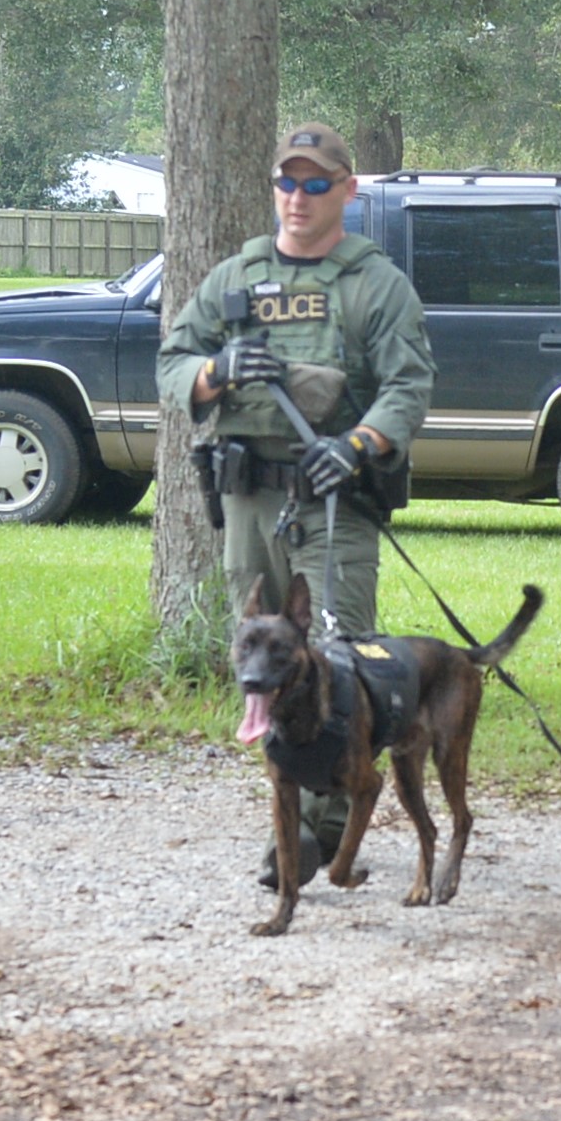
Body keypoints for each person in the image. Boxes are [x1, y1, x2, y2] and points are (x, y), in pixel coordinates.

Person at [157, 124, 435, 871]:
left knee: (341, 659)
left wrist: (356, 446)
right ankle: (293, 810)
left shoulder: (374, 283)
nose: (299, 197)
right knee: (264, 659)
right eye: (288, 182)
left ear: (346, 190)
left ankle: (323, 825)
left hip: (333, 498)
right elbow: (173, 360)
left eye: (317, 184)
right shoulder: (235, 277)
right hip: (250, 497)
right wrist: (215, 370)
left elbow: (409, 389)